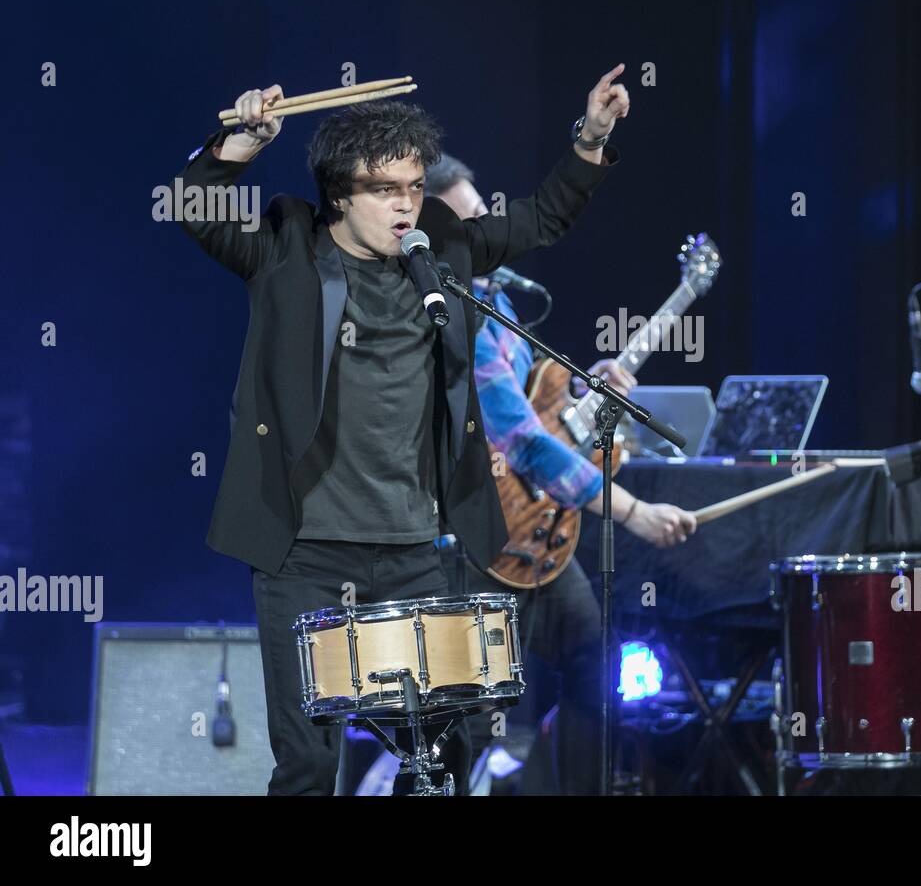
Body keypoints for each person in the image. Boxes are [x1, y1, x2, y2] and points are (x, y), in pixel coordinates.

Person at [174, 65, 630, 794]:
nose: (406, 206)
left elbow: (541, 217)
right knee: (312, 763)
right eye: (386, 190)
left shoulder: (441, 252)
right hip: (304, 555)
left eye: (415, 187)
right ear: (338, 195)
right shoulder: (285, 247)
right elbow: (194, 211)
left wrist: (592, 136)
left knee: (447, 750)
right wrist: (238, 146)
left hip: (417, 549)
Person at [425, 151, 696, 793]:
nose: (489, 226)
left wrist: (581, 393)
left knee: (595, 668)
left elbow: (535, 409)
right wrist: (632, 511)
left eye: (487, 212)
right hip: (478, 536)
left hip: (537, 535)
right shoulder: (452, 316)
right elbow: (518, 441)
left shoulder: (500, 306)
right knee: (469, 711)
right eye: (469, 220)